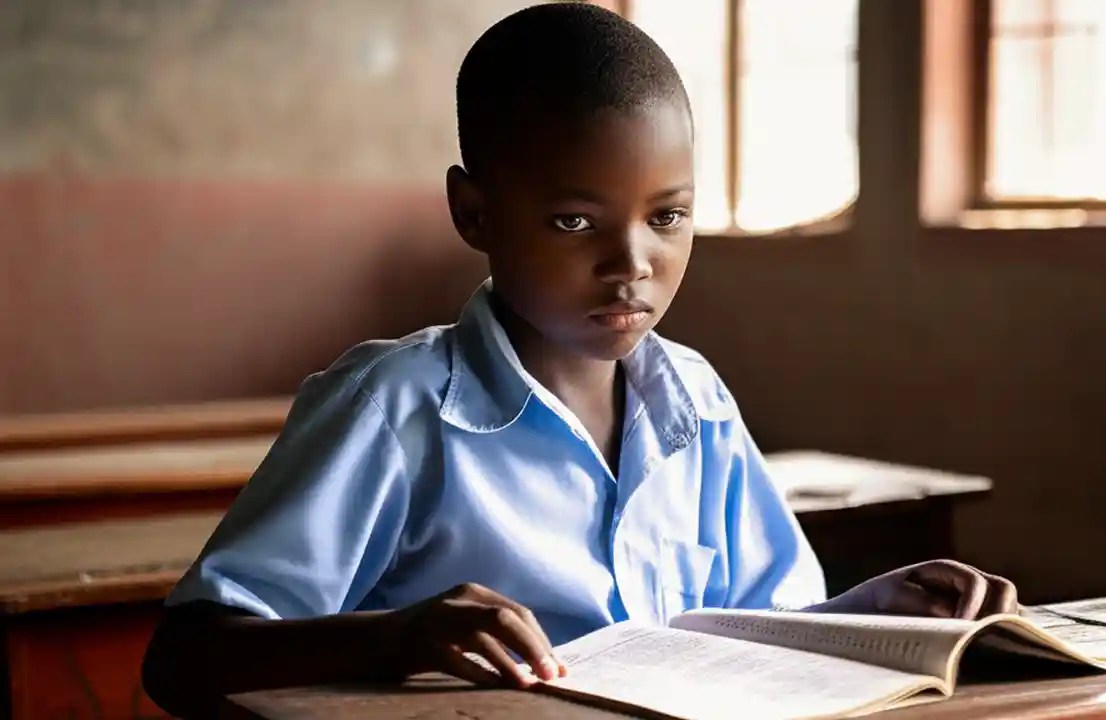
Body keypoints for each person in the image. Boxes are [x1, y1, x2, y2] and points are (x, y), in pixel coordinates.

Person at [142, 4, 1016, 717]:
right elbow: (182, 659)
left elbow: (767, 626)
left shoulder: (696, 404)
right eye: (573, 221)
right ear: (473, 212)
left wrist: (879, 614)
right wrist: (391, 635)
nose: (631, 263)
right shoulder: (395, 408)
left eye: (667, 217)